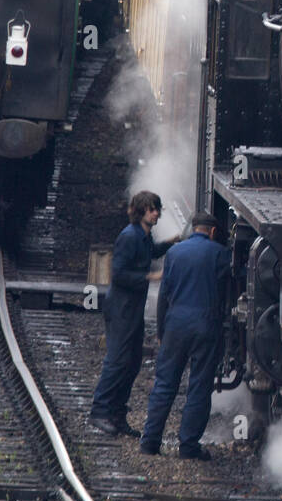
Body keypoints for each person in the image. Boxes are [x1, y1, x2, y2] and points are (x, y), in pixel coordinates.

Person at [139, 211, 231, 459]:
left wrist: (161, 330)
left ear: (193, 229)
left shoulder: (174, 253)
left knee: (165, 383)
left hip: (175, 324)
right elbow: (226, 294)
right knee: (199, 386)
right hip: (205, 324)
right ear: (212, 232)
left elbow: (163, 295)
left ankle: (150, 442)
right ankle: (188, 446)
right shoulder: (220, 254)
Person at [89, 191, 176, 435]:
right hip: (122, 308)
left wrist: (172, 242)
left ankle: (117, 413)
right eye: (152, 209)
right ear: (141, 211)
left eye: (158, 209)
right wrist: (150, 276)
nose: (156, 213)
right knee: (117, 360)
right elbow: (119, 274)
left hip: (133, 308)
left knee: (132, 361)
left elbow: (151, 252)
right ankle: (99, 411)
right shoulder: (129, 237)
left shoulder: (144, 236)